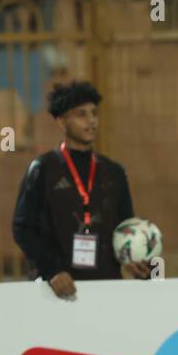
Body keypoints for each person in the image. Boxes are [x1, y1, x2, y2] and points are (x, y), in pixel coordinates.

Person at [12, 81, 152, 295]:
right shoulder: (43, 169)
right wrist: (51, 271)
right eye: (81, 114)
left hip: (106, 286)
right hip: (57, 288)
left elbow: (125, 227)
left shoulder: (114, 172)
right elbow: (22, 228)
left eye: (94, 113)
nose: (91, 121)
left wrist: (131, 259)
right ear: (61, 122)